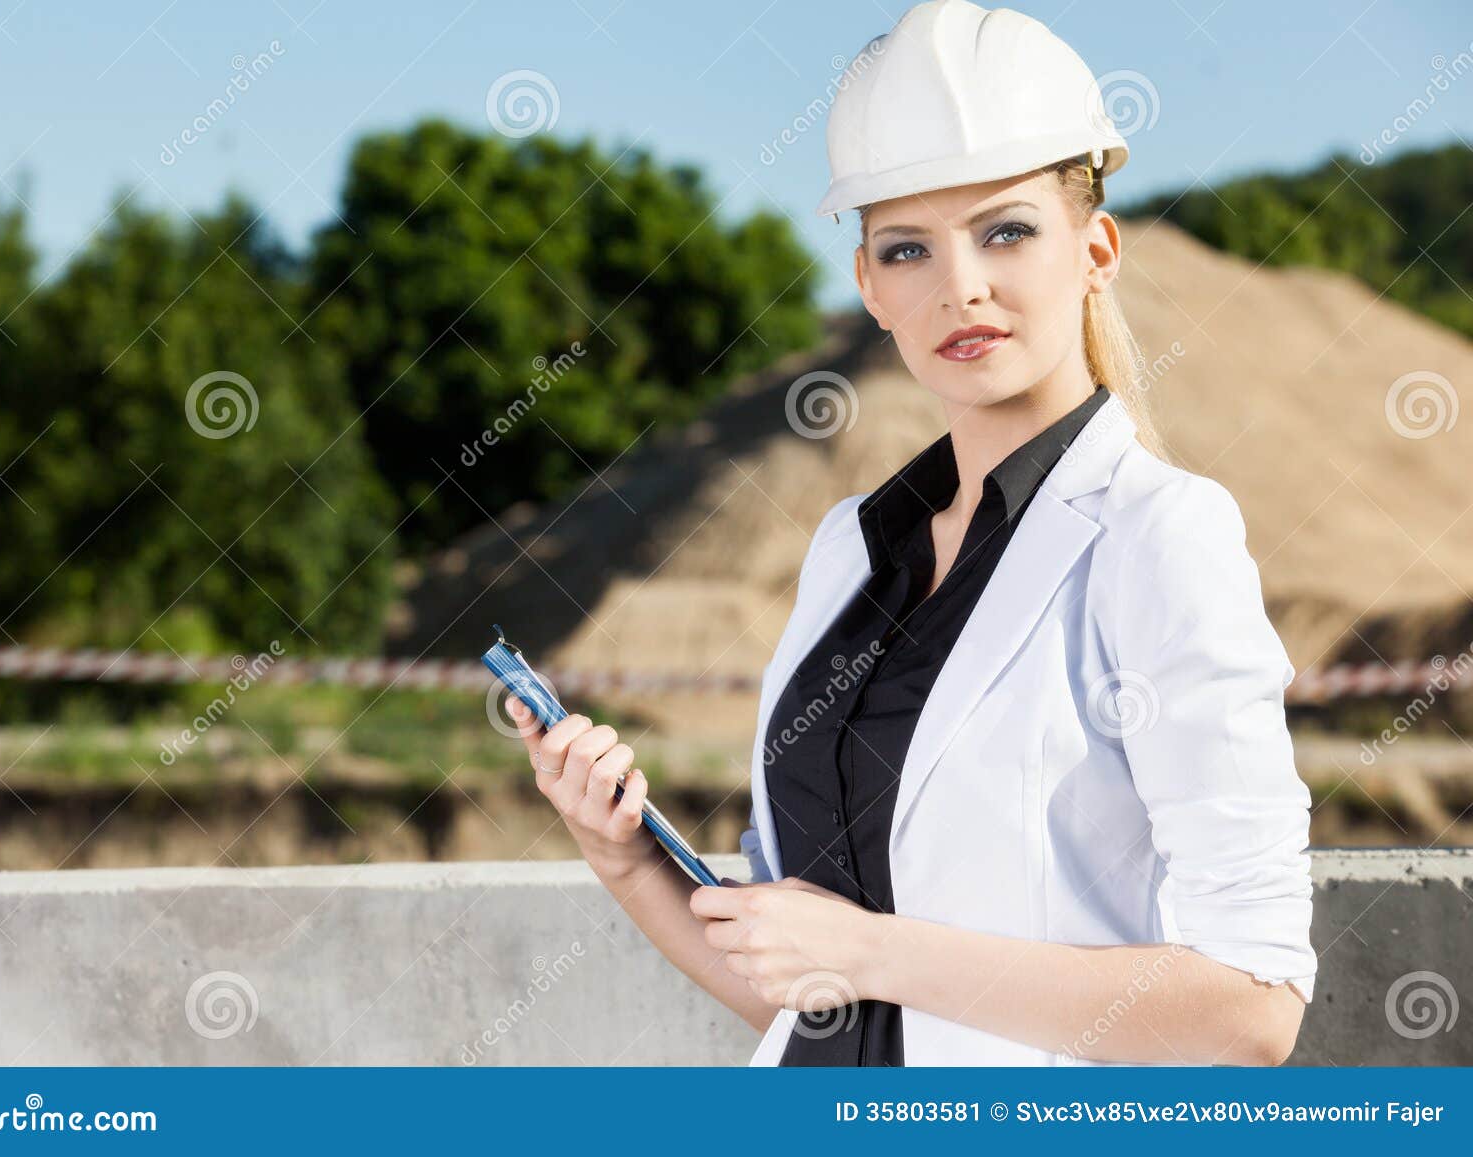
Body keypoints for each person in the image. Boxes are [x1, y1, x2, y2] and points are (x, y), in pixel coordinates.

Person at [505, 0, 1317, 1067]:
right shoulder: (849, 549)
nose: (959, 286)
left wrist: (873, 950)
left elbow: (1253, 1007)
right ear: (869, 287)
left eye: (1006, 230)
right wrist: (620, 854)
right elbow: (809, 999)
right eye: (907, 249)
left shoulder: (1160, 535)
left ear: (1096, 249)